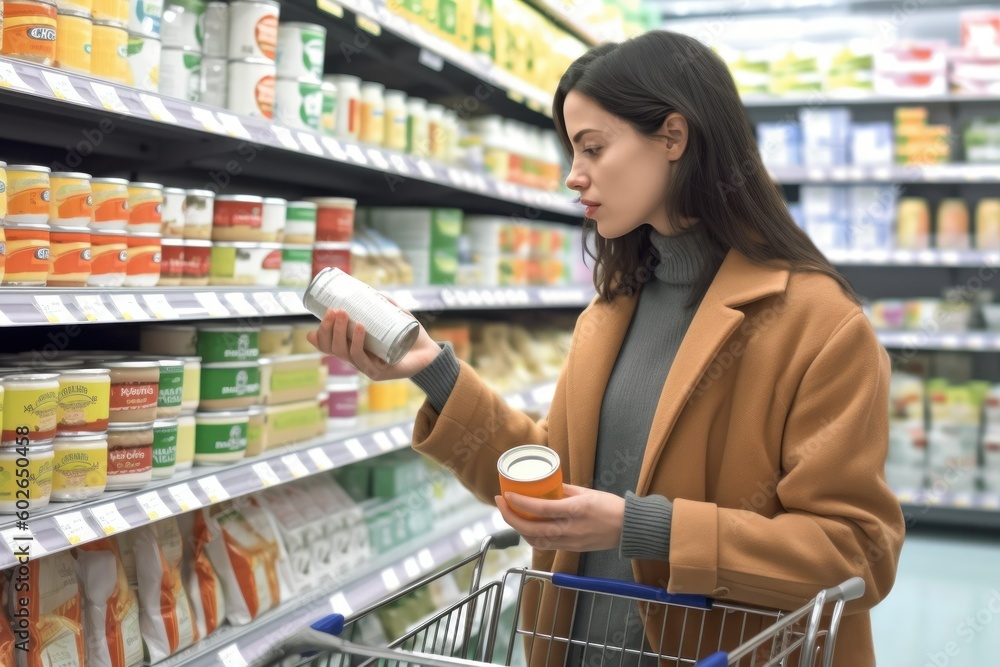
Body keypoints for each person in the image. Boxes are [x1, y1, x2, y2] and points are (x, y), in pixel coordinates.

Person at [309, 30, 905, 667]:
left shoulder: (819, 324)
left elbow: (857, 553)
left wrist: (642, 527)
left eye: (593, 147)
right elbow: (555, 484)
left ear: (673, 138)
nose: (573, 175)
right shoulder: (613, 309)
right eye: (572, 149)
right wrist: (433, 370)